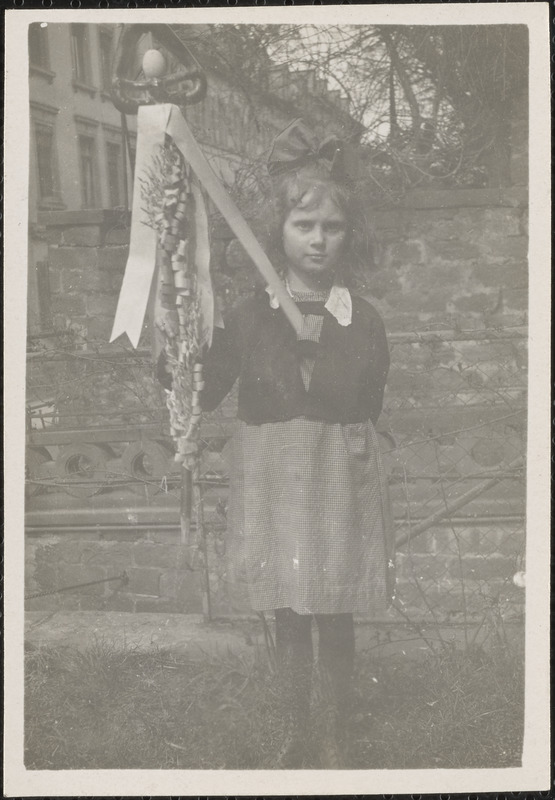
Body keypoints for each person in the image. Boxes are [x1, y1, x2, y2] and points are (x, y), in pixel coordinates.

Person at [160, 119, 393, 768]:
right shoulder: (250, 316)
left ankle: (335, 735)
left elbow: (368, 401)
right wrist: (174, 336)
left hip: (337, 478)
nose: (318, 240)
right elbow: (204, 387)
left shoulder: (363, 319)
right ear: (278, 231)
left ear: (349, 236)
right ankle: (295, 732)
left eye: (331, 228)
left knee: (333, 608)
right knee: (289, 610)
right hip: (274, 479)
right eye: (303, 225)